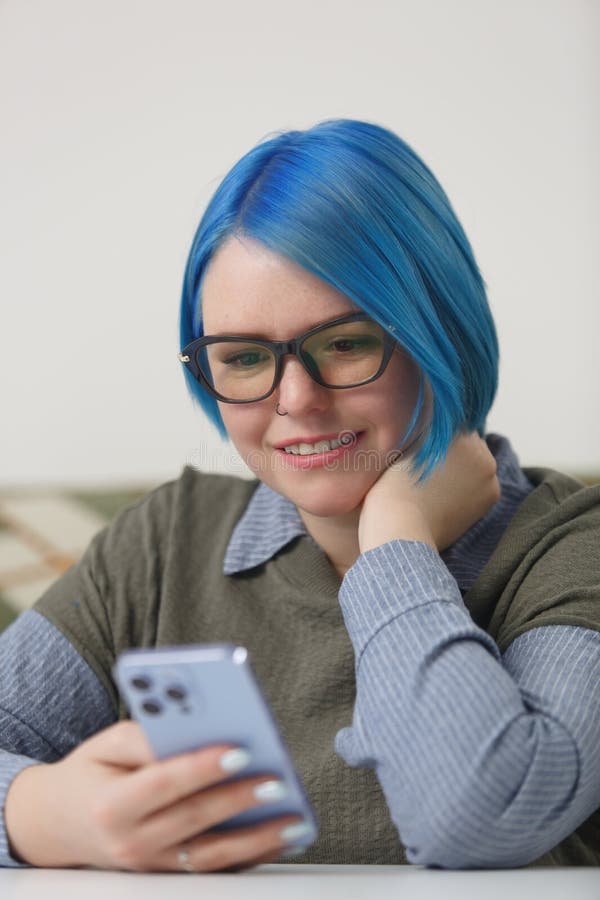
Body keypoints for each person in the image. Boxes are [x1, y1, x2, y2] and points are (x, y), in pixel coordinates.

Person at [1, 119, 599, 872]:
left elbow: (473, 819)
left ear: (441, 335)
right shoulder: (164, 544)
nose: (296, 400)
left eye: (344, 343)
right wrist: (38, 813)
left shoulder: (574, 550)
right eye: (246, 357)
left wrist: (396, 539)